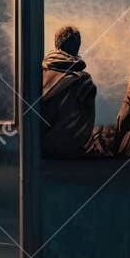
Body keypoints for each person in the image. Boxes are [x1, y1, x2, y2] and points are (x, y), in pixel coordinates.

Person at [41, 24, 96, 158]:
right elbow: (86, 125)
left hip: (40, 146)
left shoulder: (39, 73)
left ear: (57, 44)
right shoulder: (84, 81)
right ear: (77, 47)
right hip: (69, 149)